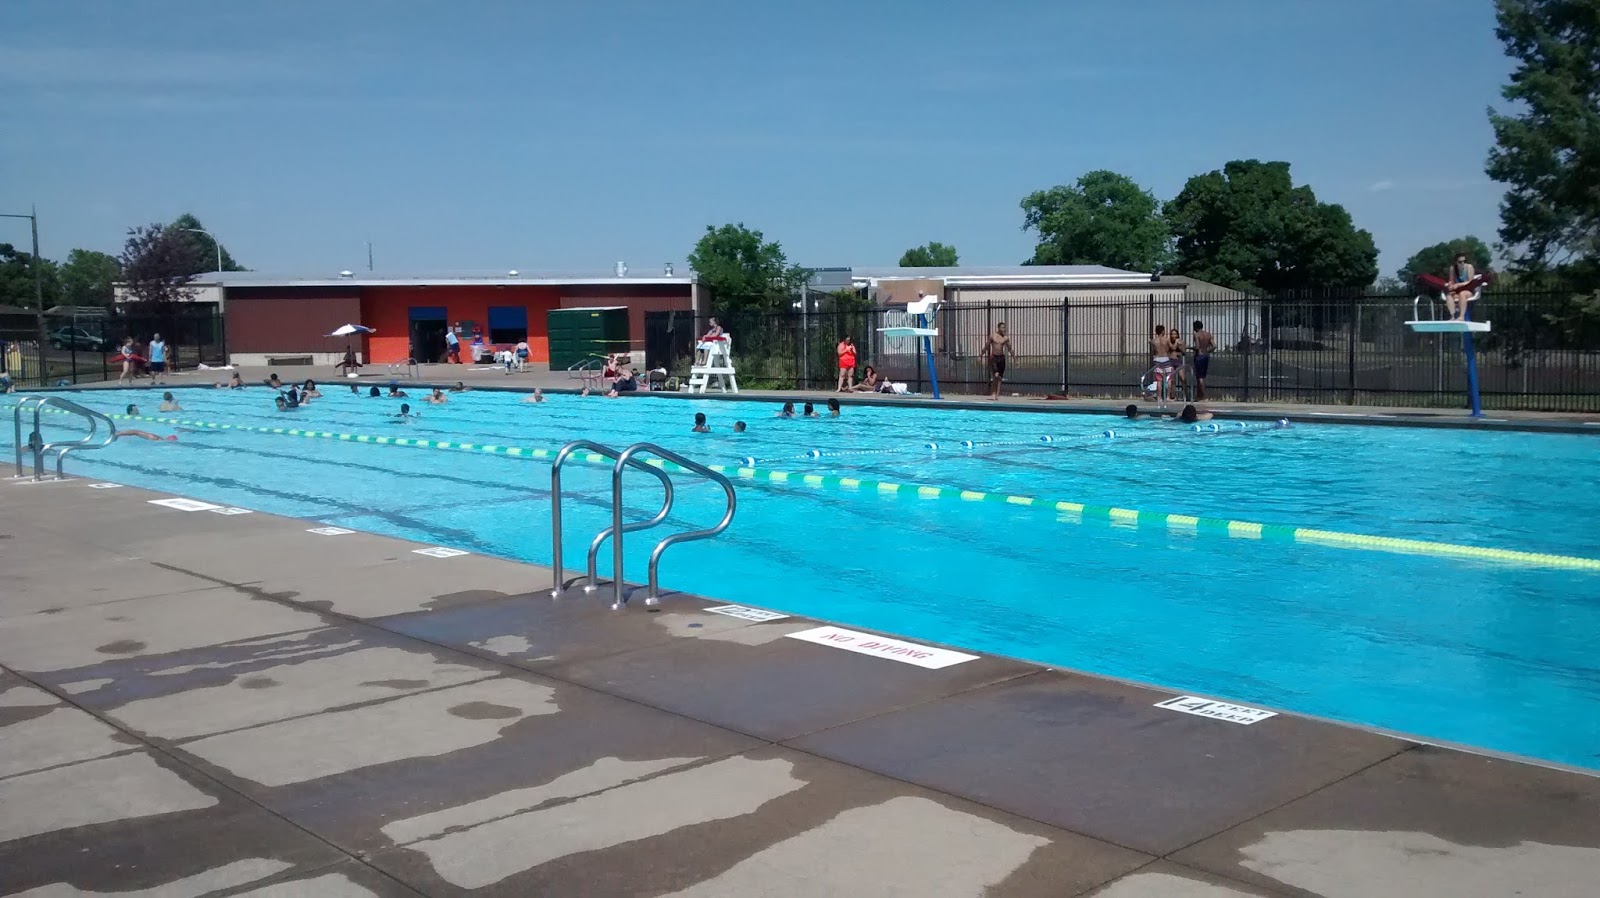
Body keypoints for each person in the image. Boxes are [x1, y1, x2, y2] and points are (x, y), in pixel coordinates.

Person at [984, 323, 1015, 401]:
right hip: (994, 357)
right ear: (998, 328)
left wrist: (1014, 358)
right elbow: (987, 345)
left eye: (1004, 328)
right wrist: (981, 355)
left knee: (1000, 378)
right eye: (1002, 327)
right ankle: (993, 391)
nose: (1004, 329)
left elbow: (1010, 348)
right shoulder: (992, 336)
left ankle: (997, 396)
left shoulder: (1005, 338)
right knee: (996, 375)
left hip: (1001, 358)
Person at [1446, 252, 1478, 321]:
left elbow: (1470, 281)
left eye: (1464, 261)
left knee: (1462, 294)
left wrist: (1457, 285)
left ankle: (1461, 316)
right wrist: (1450, 285)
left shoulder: (1469, 267)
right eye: (1460, 262)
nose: (1463, 263)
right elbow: (1451, 280)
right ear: (1456, 262)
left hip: (1468, 290)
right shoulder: (1453, 268)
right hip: (1457, 290)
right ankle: (1452, 316)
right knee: (1449, 296)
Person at [1148, 325, 1175, 401]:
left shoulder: (1153, 341)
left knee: (1159, 380)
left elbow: (1153, 352)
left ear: (1156, 332)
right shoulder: (1166, 340)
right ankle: (1168, 396)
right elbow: (1172, 348)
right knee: (1169, 378)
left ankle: (1159, 397)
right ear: (1163, 331)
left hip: (1157, 359)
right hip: (1165, 359)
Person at [1192, 320, 1215, 401]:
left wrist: (1190, 348)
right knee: (1202, 376)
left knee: (1199, 377)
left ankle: (1203, 396)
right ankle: (1199, 396)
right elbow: (1214, 346)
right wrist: (1208, 350)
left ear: (1195, 327)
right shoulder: (1208, 334)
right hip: (1206, 356)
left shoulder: (1197, 335)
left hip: (1199, 356)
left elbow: (1197, 347)